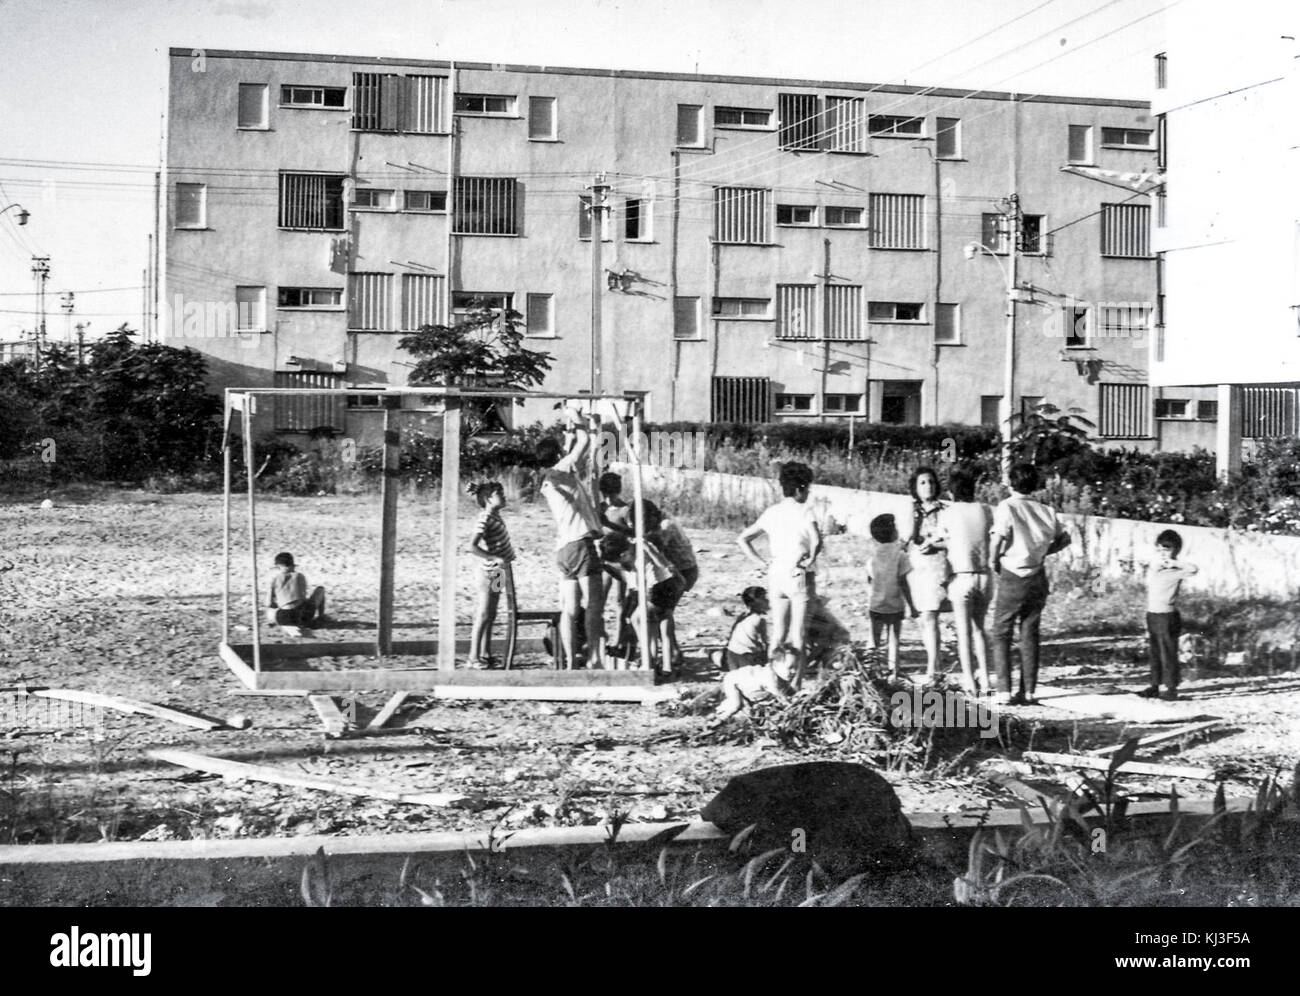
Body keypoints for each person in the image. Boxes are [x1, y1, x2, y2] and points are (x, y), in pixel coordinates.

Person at [989, 462, 1071, 706]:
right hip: (1037, 574)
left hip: (1013, 572)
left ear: (1011, 483)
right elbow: (1065, 538)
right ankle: (1029, 690)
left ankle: (1004, 689)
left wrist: (994, 561)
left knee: (1001, 631)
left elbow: (998, 539)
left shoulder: (1008, 506)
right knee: (1030, 632)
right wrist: (1045, 551)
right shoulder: (1046, 510)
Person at [737, 462, 822, 681]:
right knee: (798, 634)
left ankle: (772, 677)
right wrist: (811, 558)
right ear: (799, 489)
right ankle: (796, 683)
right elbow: (816, 540)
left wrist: (761, 563)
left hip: (776, 573)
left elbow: (743, 539)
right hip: (799, 574)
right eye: (807, 489)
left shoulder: (772, 512)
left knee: (778, 632)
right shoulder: (805, 510)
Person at [535, 413, 605, 670]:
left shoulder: (548, 479)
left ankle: (568, 662)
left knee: (570, 608)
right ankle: (595, 659)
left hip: (563, 548)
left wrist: (576, 430)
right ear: (558, 454)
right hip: (579, 544)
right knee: (595, 605)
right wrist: (575, 417)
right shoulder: (560, 470)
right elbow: (584, 441)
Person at [936, 469, 994, 696]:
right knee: (980, 629)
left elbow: (943, 540)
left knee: (963, 631)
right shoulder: (985, 509)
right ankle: (987, 680)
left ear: (951, 492)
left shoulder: (948, 513)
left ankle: (969, 681)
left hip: (961, 576)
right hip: (985, 576)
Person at [1138, 529, 1199, 701]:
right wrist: (1162, 560)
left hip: (1167, 616)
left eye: (1168, 549)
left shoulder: (1178, 569)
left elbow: (1193, 569)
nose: (1164, 553)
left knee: (1168, 653)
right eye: (1161, 549)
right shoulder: (1156, 567)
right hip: (1152, 614)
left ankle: (1171, 689)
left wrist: (1174, 562)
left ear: (1176, 550)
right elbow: (1149, 563)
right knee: (1155, 652)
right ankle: (1154, 686)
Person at [908, 466, 951, 683]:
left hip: (937, 565)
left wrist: (936, 545)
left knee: (930, 614)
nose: (928, 486)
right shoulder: (911, 511)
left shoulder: (944, 510)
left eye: (931, 482)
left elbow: (952, 538)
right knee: (923, 618)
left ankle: (933, 667)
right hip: (918, 566)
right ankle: (935, 662)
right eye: (923, 483)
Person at [466, 480, 515, 669]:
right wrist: (493, 557)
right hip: (489, 571)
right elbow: (471, 546)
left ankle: (485, 653)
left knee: (492, 613)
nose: (503, 497)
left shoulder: (496, 516)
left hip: (500, 572)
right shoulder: (484, 517)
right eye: (499, 494)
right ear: (488, 499)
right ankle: (473, 656)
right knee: (484, 612)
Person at [867, 514, 915, 679]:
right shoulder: (901, 555)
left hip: (876, 604)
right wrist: (912, 606)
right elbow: (904, 583)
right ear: (893, 532)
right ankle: (893, 671)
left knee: (875, 639)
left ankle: (873, 669)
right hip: (895, 604)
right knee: (894, 638)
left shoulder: (873, 556)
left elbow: (870, 579)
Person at [709, 644, 798, 724]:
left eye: (795, 667)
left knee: (749, 705)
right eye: (790, 668)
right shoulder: (770, 677)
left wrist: (799, 695)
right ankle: (719, 720)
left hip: (747, 686)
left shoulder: (781, 675)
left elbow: (791, 691)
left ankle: (718, 711)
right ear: (775, 665)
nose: (793, 671)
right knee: (736, 705)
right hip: (733, 681)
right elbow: (782, 698)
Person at [656, 509, 699, 667]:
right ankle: (671, 652)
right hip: (680, 569)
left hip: (683, 571)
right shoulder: (665, 520)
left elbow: (658, 548)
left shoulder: (666, 525)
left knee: (663, 611)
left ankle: (673, 653)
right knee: (663, 612)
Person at [265, 552, 326, 628]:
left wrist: (280, 604)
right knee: (320, 589)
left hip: (282, 618)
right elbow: (302, 599)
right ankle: (321, 617)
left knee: (269, 612)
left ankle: (273, 622)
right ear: (292, 565)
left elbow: (269, 603)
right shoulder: (299, 576)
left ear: (278, 566)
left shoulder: (275, 579)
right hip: (300, 616)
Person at [718, 586, 769, 672]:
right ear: (755, 602)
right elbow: (765, 643)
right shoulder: (759, 619)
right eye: (764, 598)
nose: (768, 601)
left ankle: (711, 654)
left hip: (731, 655)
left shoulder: (742, 617)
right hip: (747, 658)